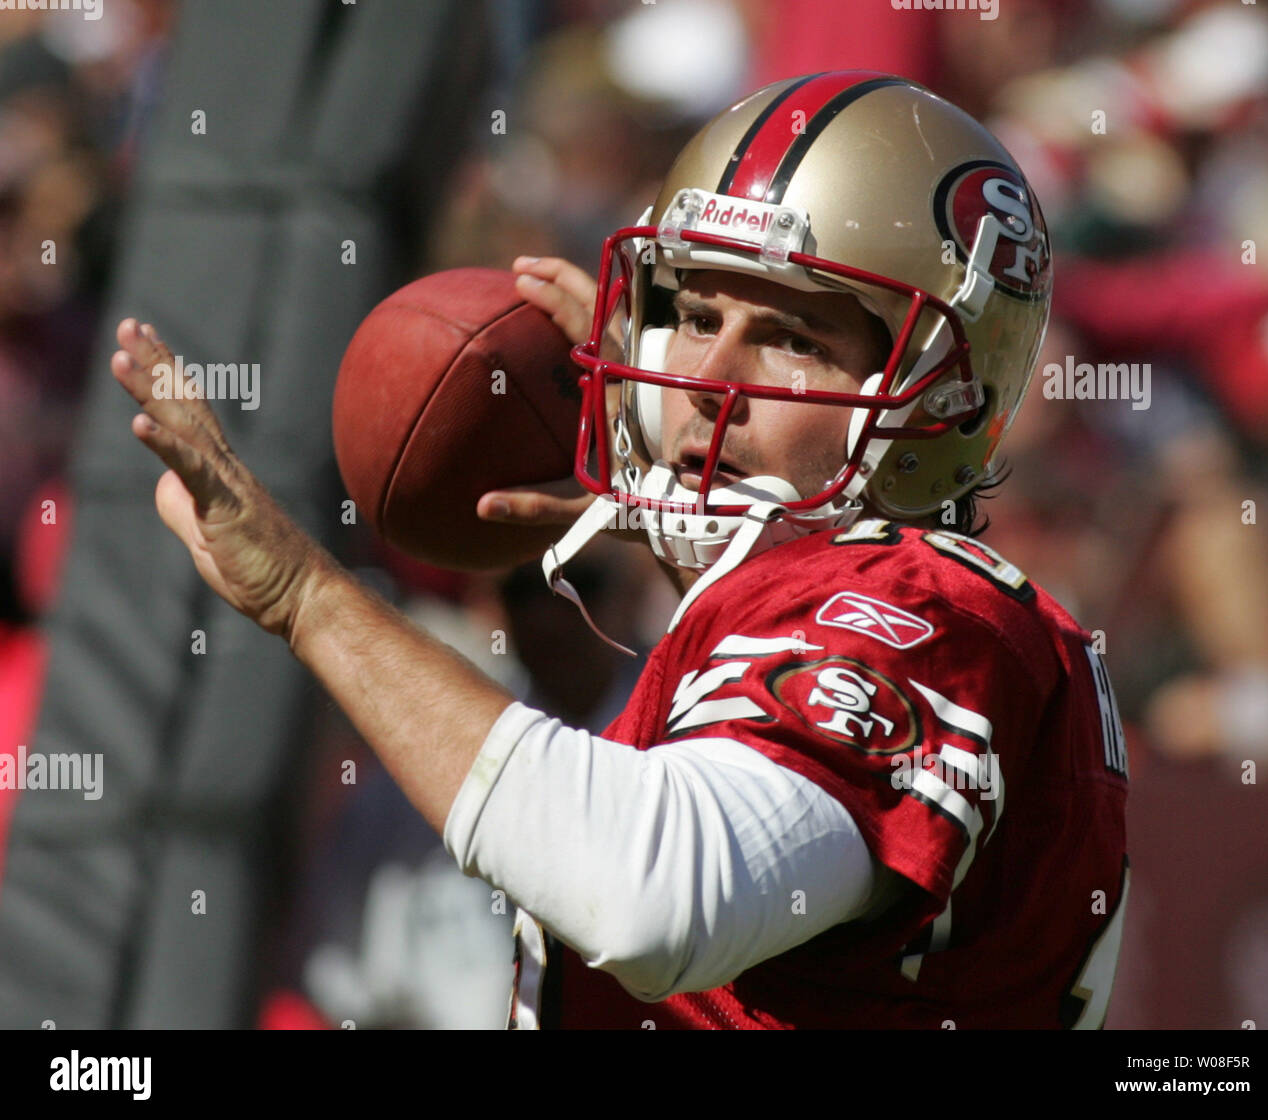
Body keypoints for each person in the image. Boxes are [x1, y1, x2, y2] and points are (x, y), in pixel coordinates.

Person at [109, 71, 1127, 1029]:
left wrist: (307, 599)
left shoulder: (928, 612)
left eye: (794, 339)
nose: (705, 378)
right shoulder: (829, 597)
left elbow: (653, 896)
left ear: (939, 398)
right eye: (690, 313)